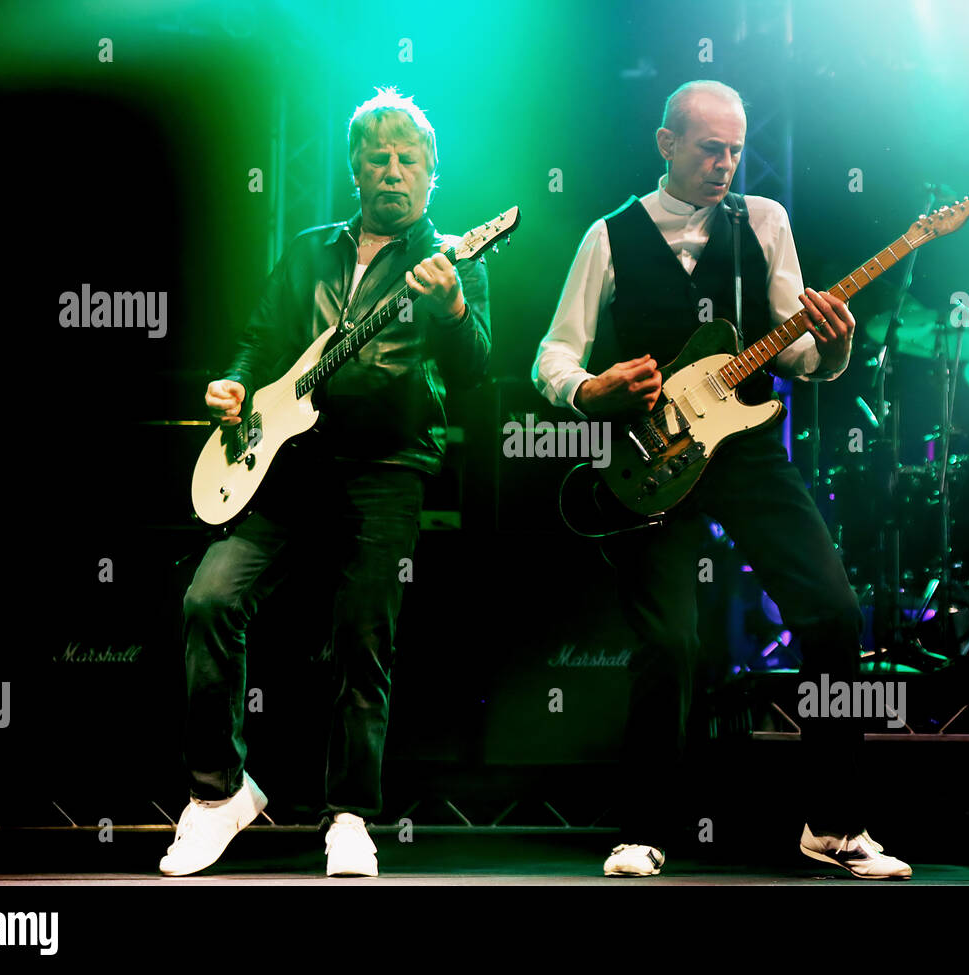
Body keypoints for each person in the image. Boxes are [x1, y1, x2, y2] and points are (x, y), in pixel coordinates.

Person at [532, 80, 911, 879]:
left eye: (737, 148)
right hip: (651, 458)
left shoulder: (763, 221)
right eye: (710, 147)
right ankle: (640, 829)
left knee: (835, 611)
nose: (727, 163)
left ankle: (834, 826)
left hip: (744, 448)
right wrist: (589, 388)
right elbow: (551, 358)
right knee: (670, 641)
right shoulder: (609, 235)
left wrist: (835, 347)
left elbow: (803, 356)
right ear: (667, 143)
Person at [161, 87, 490, 878]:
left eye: (409, 157)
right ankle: (218, 795)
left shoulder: (450, 262)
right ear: (353, 167)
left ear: (433, 174)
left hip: (388, 467)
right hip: (286, 464)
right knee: (208, 600)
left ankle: (349, 815)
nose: (393, 169)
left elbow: (475, 370)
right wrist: (232, 387)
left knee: (361, 638)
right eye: (377, 155)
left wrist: (448, 305)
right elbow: (256, 340)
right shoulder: (310, 249)